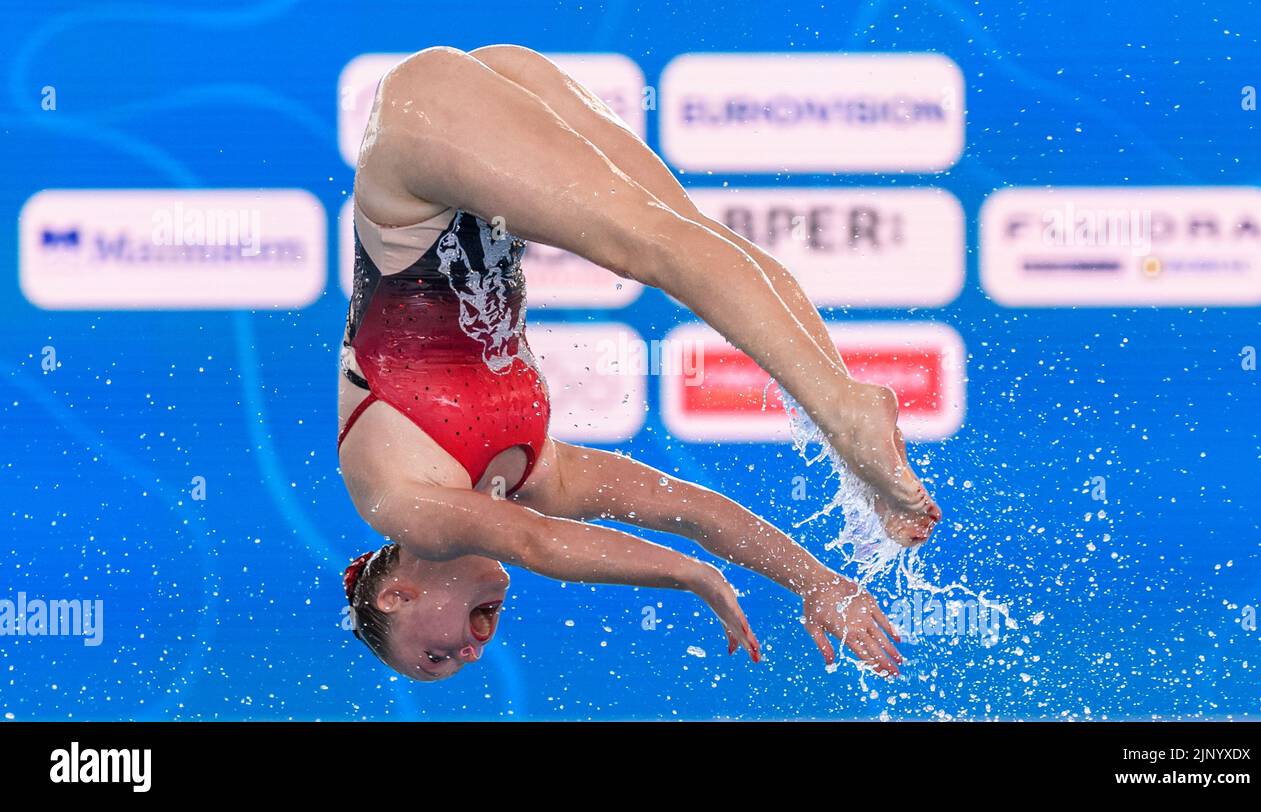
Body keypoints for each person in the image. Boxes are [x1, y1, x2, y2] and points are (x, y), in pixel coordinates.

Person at [339, 45, 941, 682]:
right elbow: (693, 511)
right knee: (693, 237)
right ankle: (844, 414)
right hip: (481, 101)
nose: (471, 652)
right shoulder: (533, 473)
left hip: (418, 141)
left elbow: (535, 543)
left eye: (433, 656)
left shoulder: (395, 500)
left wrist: (691, 574)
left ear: (394, 596)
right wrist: (815, 583)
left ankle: (844, 415)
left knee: (651, 247)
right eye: (461, 662)